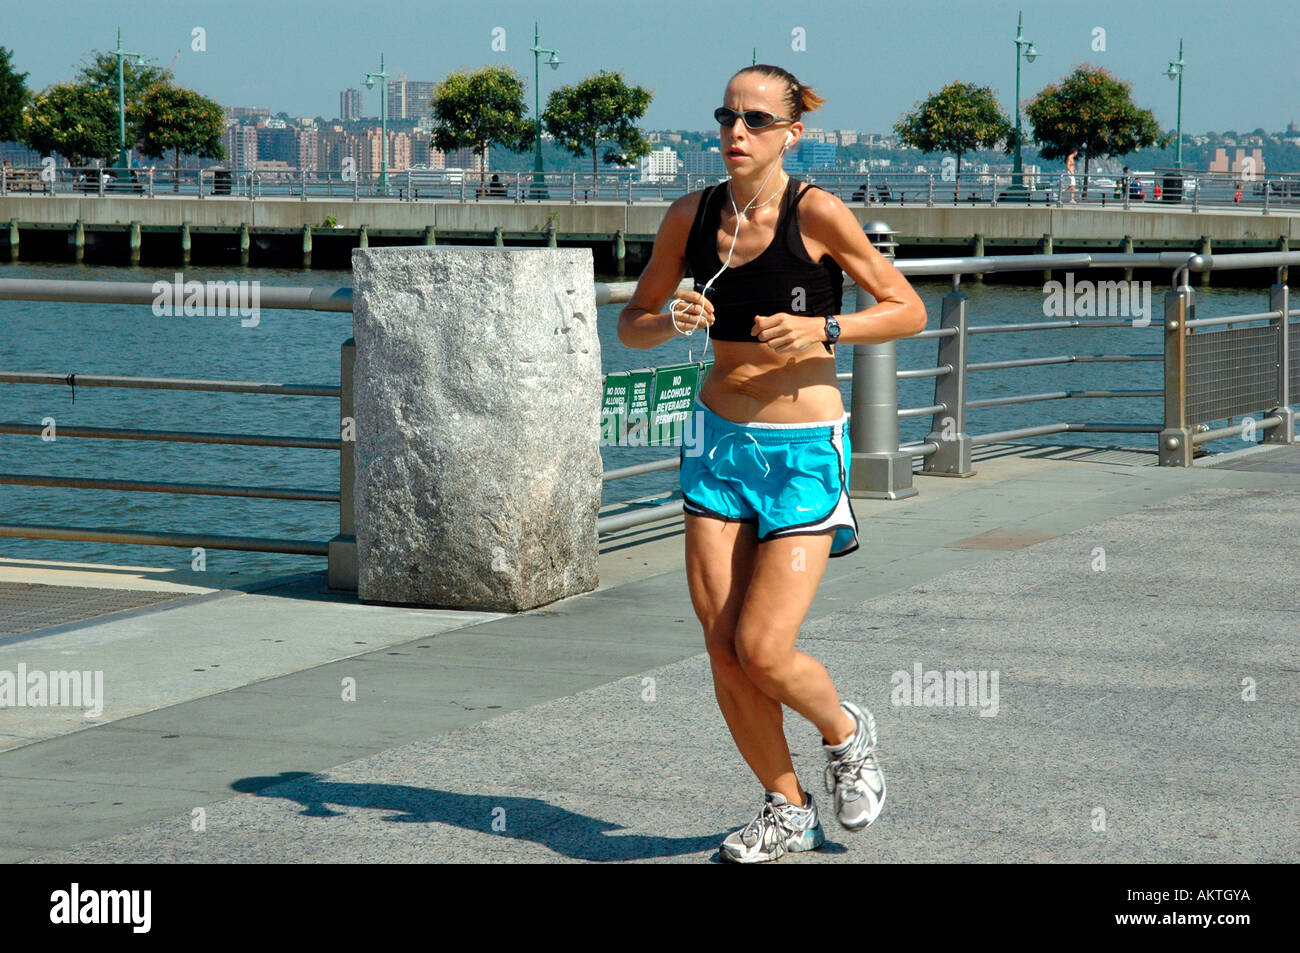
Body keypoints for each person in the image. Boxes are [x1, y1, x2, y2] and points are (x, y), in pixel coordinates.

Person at [617, 64, 927, 863]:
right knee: (721, 647)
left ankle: (846, 731)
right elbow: (633, 323)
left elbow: (907, 308)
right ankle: (787, 808)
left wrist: (826, 333)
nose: (737, 132)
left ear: (792, 133)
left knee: (763, 647)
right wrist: (672, 319)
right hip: (717, 444)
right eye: (727, 116)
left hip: (801, 455)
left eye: (757, 120)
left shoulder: (816, 212)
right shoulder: (689, 216)